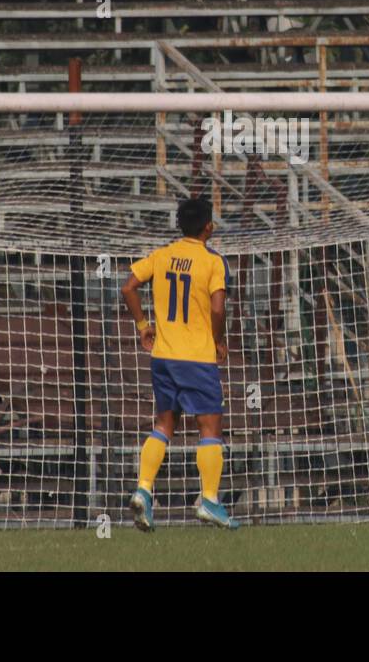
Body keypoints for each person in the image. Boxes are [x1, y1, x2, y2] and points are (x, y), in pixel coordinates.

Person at [121, 197, 237, 530]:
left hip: (163, 357)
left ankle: (143, 489)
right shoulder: (213, 262)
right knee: (210, 428)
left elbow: (128, 286)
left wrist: (144, 326)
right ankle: (210, 500)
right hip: (197, 359)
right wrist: (217, 341)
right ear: (209, 227)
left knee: (164, 425)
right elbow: (217, 309)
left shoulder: (162, 255)